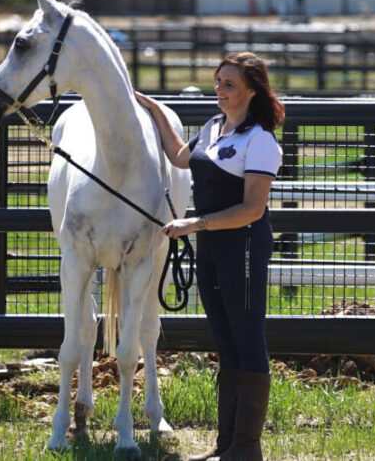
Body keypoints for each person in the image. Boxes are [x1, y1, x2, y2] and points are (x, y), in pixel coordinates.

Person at [135, 52, 284, 461]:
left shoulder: (260, 141)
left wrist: (193, 224)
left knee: (247, 340)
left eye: (229, 84)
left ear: (252, 91)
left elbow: (253, 209)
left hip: (245, 247)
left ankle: (247, 448)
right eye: (217, 81)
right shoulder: (214, 128)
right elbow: (181, 156)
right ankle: (227, 446)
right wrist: (153, 107)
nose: (219, 89)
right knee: (226, 342)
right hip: (214, 249)